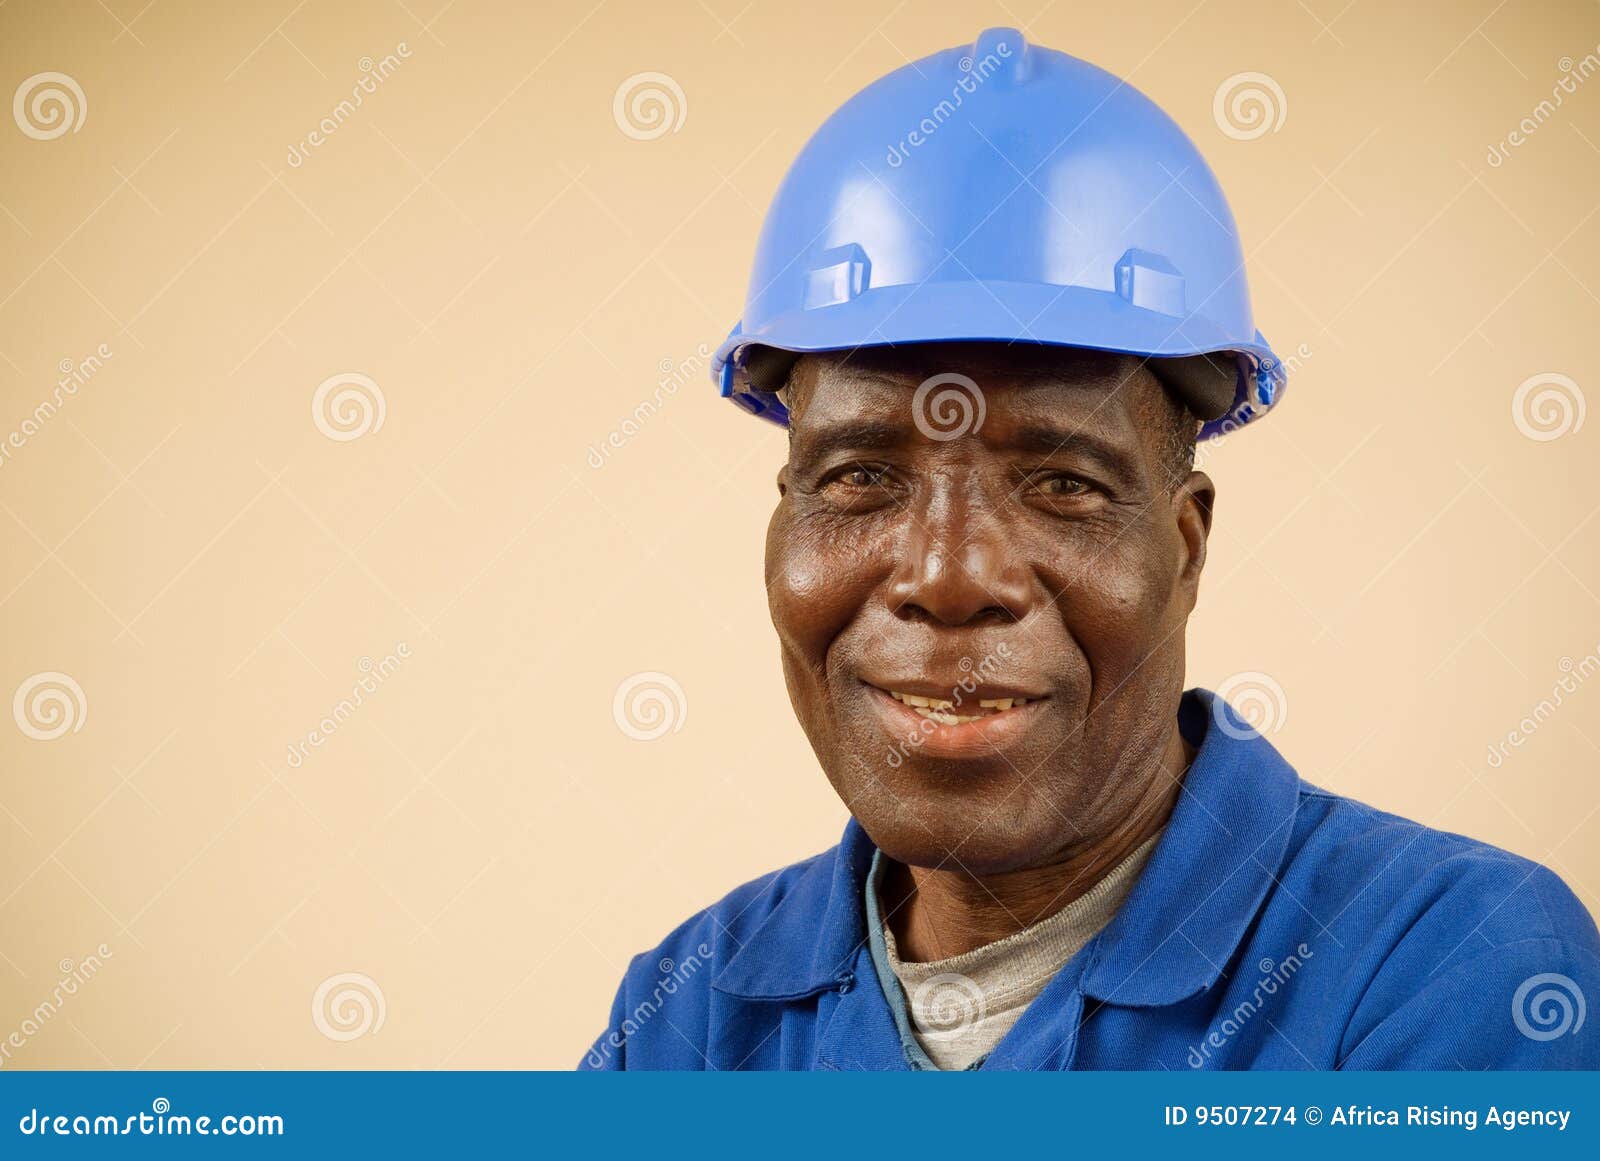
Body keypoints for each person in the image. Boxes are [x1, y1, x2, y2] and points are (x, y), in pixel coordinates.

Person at [581, 28, 1600, 1071]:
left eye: (1063, 484)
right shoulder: (687, 1017)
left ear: (1185, 549)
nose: (948, 577)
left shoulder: (1453, 965)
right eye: (860, 477)